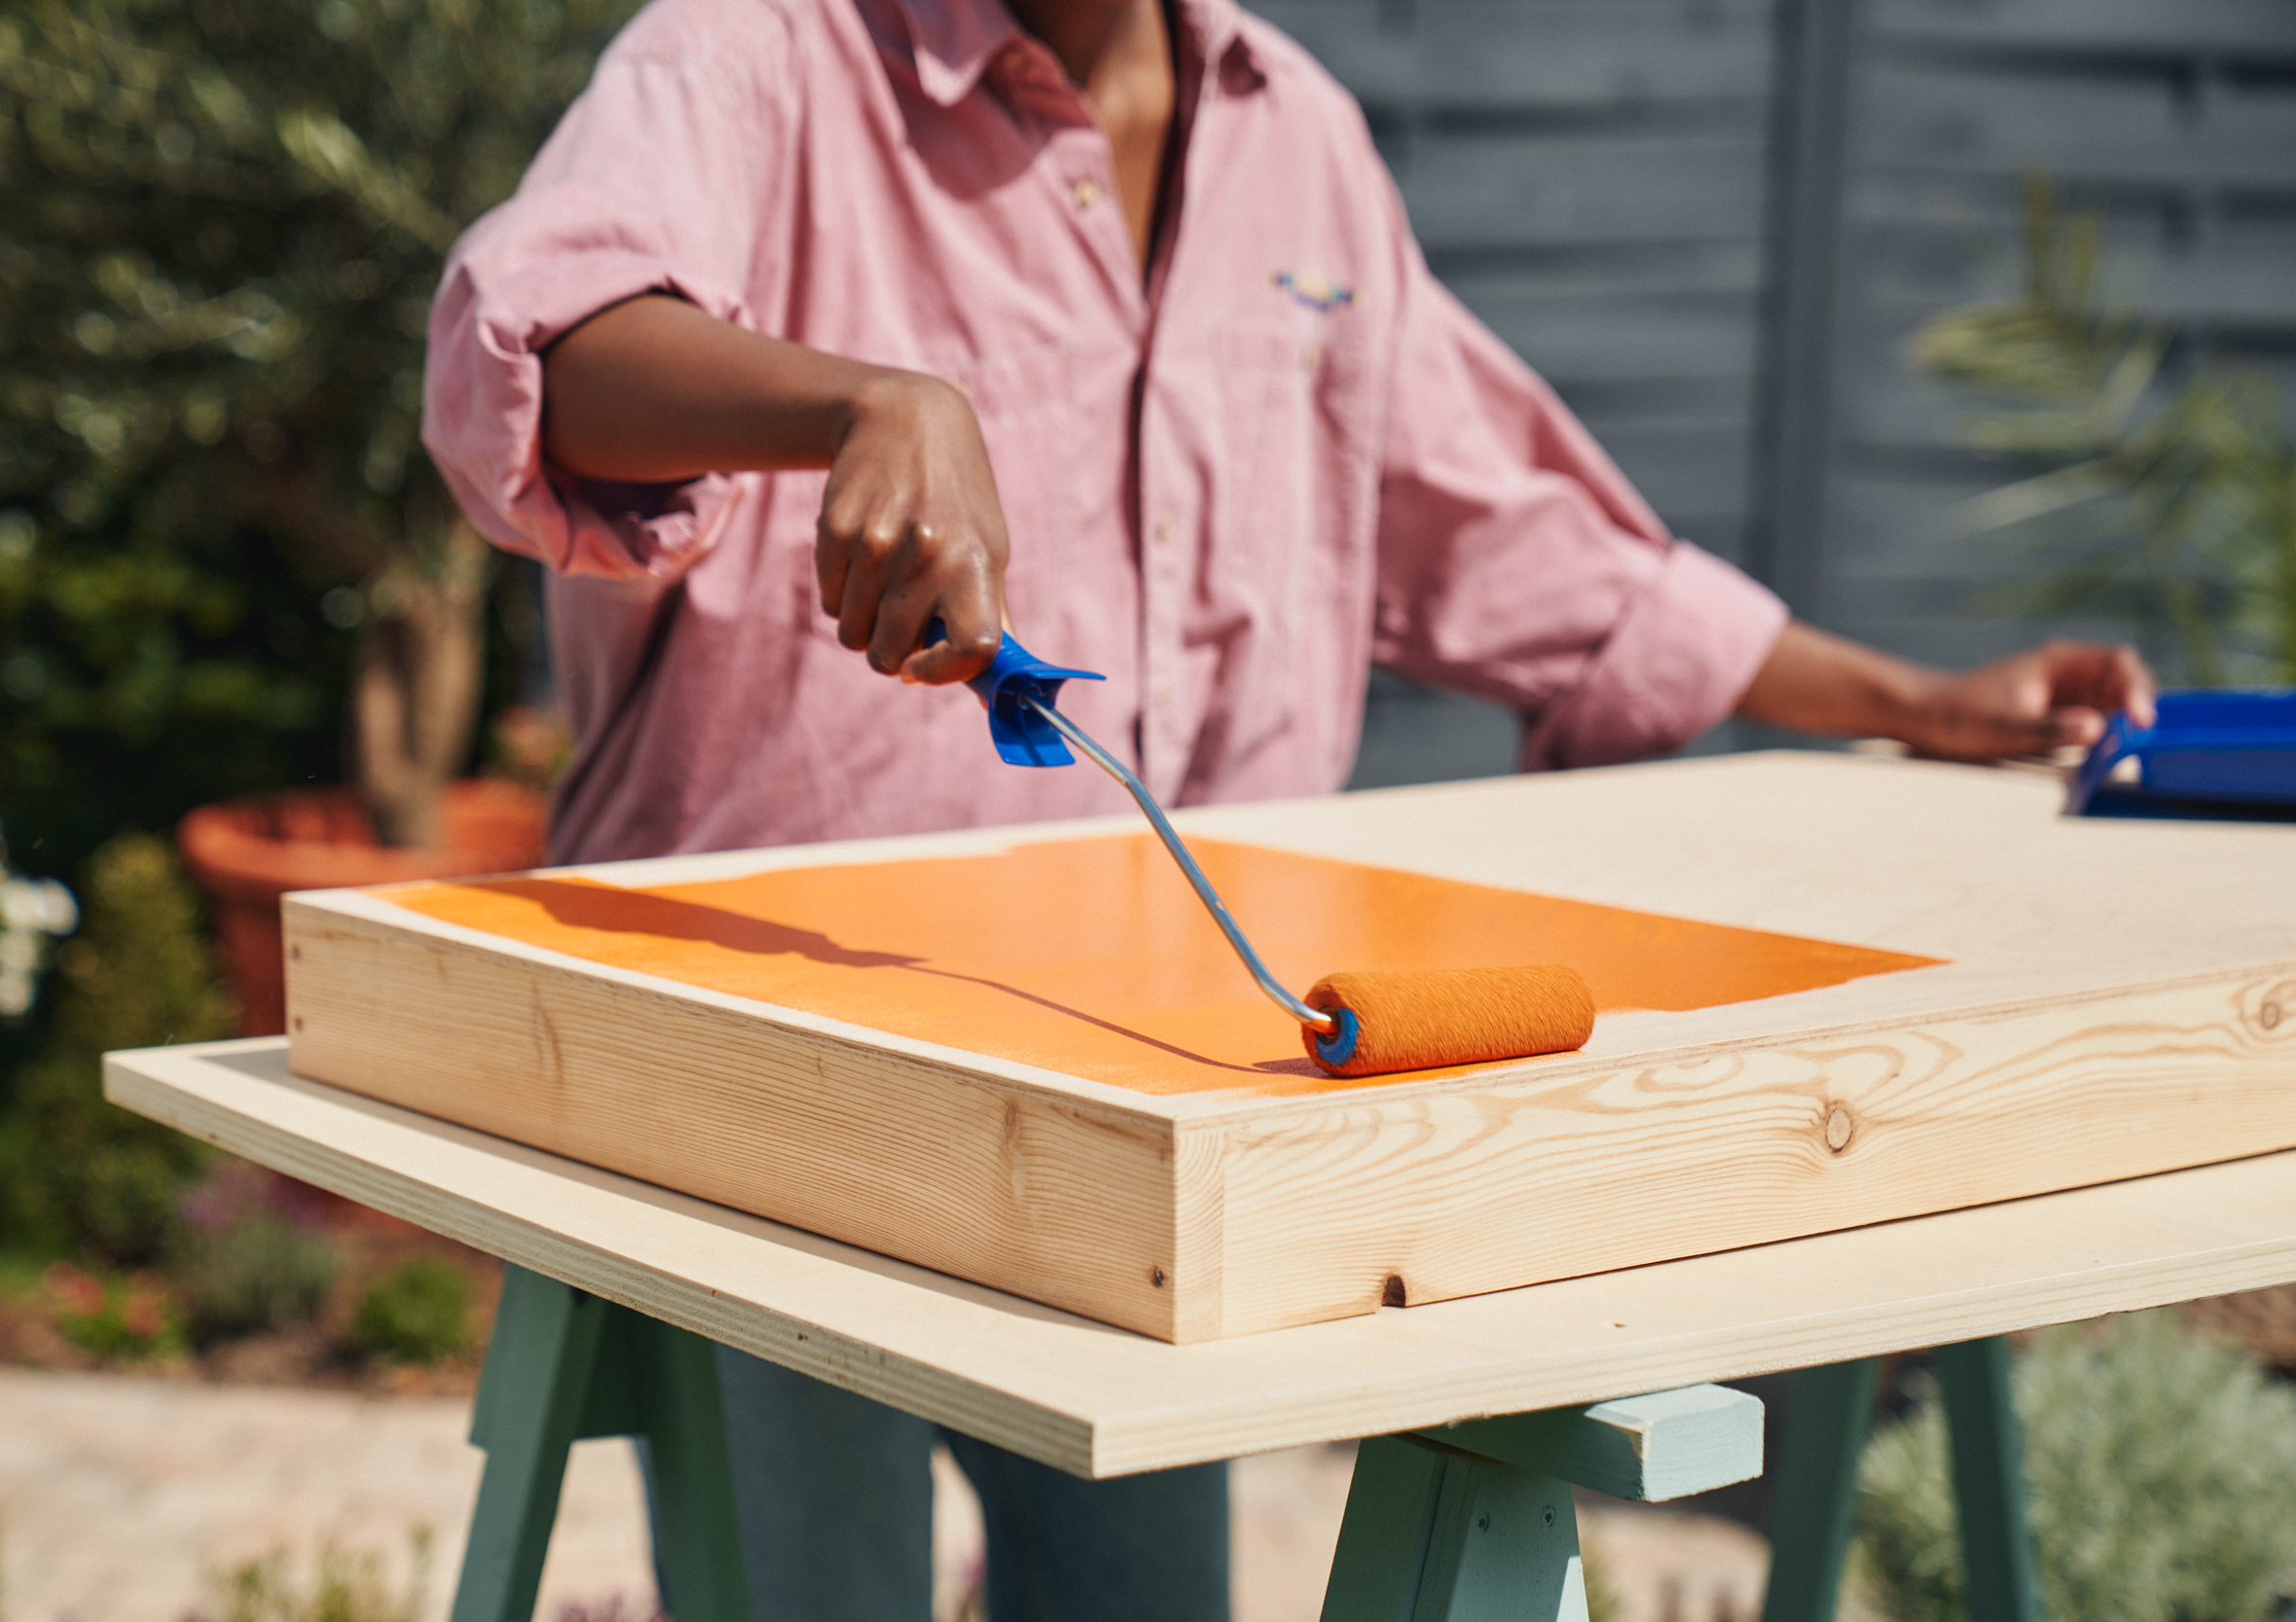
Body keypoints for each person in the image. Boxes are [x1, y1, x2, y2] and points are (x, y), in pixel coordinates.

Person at [422, 0, 2154, 1614]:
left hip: (1162, 1103)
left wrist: (1916, 699)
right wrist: (870, 402)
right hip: (770, 1082)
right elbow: (532, 349)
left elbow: (1504, 527)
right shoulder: (757, 54)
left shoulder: (1295, 132)